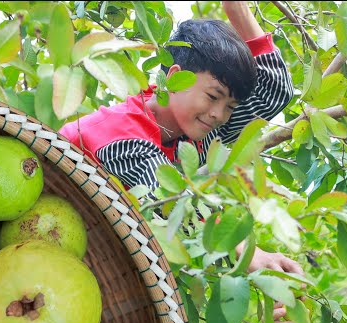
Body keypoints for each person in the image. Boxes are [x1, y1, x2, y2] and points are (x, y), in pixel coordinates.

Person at [59, 1, 300, 275]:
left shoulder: (195, 128)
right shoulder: (121, 134)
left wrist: (238, 10)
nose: (219, 114)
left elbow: (275, 90)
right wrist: (245, 248)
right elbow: (175, 206)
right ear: (176, 77)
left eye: (230, 106)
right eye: (213, 96)